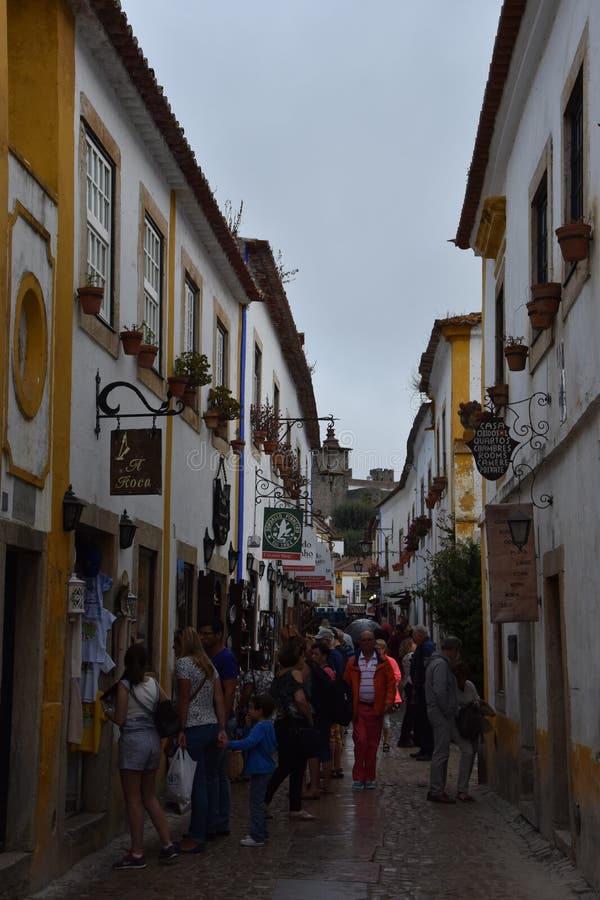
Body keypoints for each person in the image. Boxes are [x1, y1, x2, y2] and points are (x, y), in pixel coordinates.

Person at [108, 643, 178, 869]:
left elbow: (120, 719)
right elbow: (166, 703)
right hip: (153, 741)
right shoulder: (154, 684)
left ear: (126, 662)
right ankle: (167, 844)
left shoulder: (124, 686)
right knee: (149, 797)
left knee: (134, 800)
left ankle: (137, 853)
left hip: (134, 743)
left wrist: (106, 712)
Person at [175, 627, 227, 852]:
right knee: (207, 781)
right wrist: (222, 728)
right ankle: (206, 827)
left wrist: (180, 729)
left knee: (197, 786)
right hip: (211, 726)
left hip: (194, 728)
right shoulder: (209, 665)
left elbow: (184, 699)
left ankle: (196, 837)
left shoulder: (183, 665)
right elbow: (219, 699)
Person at [198, 617, 239, 839]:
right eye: (201, 633)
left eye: (207, 633)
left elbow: (229, 690)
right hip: (215, 719)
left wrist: (222, 722)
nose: (203, 637)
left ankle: (213, 822)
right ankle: (220, 820)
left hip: (220, 720)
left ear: (218, 634)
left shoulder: (225, 658)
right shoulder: (208, 657)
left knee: (213, 774)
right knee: (219, 774)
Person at [265, 640, 316, 820]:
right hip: (295, 725)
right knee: (293, 766)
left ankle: (277, 802)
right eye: (302, 656)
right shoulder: (295, 674)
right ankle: (277, 803)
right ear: (296, 658)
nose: (304, 659)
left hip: (281, 724)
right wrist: (309, 718)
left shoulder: (279, 675)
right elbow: (300, 700)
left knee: (289, 765)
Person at [343, 630, 396, 790]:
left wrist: (388, 702)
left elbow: (390, 683)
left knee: (373, 745)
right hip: (359, 709)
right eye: (364, 640)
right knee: (360, 742)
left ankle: (370, 776)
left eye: (369, 640)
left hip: (376, 708)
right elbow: (346, 686)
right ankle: (359, 776)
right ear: (359, 642)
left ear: (374, 642)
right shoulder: (352, 663)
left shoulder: (383, 662)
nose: (367, 642)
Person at [425, 635, 473, 804]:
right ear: (452, 650)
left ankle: (439, 788)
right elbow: (440, 691)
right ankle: (436, 789)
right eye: (457, 651)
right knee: (441, 752)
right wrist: (448, 710)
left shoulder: (439, 663)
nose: (458, 655)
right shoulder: (441, 665)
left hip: (442, 713)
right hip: (441, 713)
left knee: (445, 750)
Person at [225, 693, 277, 846]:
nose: (249, 710)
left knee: (256, 803)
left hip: (259, 768)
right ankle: (262, 832)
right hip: (265, 767)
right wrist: (248, 727)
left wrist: (228, 744)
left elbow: (248, 743)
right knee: (258, 802)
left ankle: (257, 836)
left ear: (259, 711)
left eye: (251, 708)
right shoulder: (267, 726)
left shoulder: (260, 727)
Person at [410, 625, 435, 761]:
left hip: (424, 689)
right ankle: (424, 748)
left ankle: (428, 749)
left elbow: (427, 668)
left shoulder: (427, 647)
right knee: (421, 719)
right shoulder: (423, 646)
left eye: (414, 635)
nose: (413, 638)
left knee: (425, 720)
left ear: (420, 635)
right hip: (420, 688)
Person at [375, 639, 401, 752]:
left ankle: (386, 741)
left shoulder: (391, 661)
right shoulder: (371, 661)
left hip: (387, 696)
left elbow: (397, 676)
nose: (377, 651)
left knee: (386, 721)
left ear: (384, 649)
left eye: (379, 648)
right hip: (375, 696)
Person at [237, 650, 274, 722]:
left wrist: (239, 708)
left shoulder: (251, 675)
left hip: (255, 710)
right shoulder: (270, 674)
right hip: (268, 710)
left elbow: (247, 694)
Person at [397, 637, 416, 747]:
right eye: (413, 644)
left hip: (407, 684)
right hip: (410, 684)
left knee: (410, 711)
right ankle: (405, 737)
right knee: (410, 712)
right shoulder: (409, 657)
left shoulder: (405, 657)